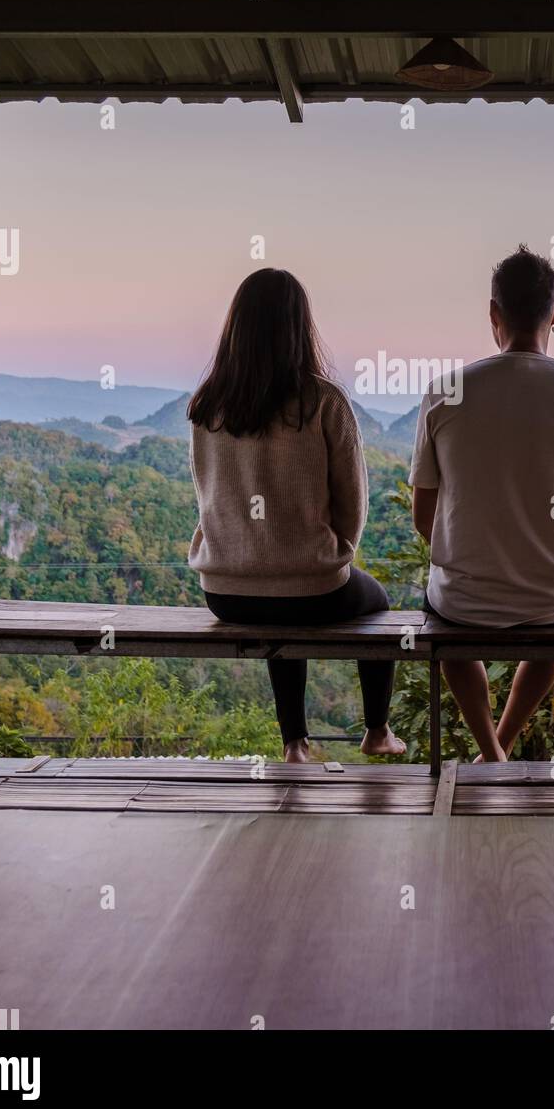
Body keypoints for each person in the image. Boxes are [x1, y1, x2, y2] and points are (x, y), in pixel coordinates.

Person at [409, 245, 554, 762]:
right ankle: (501, 746)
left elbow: (424, 517)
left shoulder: (446, 392)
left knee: (446, 626)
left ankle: (491, 749)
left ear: (493, 314)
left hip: (464, 600)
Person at [187, 268, 404, 764]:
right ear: (299, 326)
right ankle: (377, 731)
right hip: (313, 590)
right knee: (376, 601)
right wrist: (329, 554)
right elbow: (353, 503)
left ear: (236, 327)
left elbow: (207, 492)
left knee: (278, 597)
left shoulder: (207, 406)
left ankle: (294, 743)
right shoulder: (324, 402)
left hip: (225, 593)